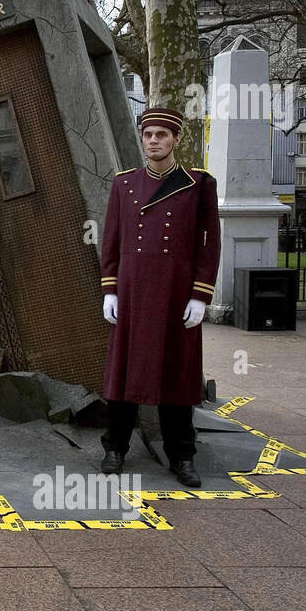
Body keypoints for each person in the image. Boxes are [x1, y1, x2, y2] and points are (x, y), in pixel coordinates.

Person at [99, 107, 221, 487]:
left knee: (178, 374)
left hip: (175, 290)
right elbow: (112, 241)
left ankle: (182, 455)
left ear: (177, 140)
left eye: (162, 135)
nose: (153, 141)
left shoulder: (198, 183)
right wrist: (110, 289)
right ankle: (114, 449)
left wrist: (200, 294)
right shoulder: (124, 183)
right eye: (148, 134)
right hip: (134, 291)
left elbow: (210, 244)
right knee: (125, 373)